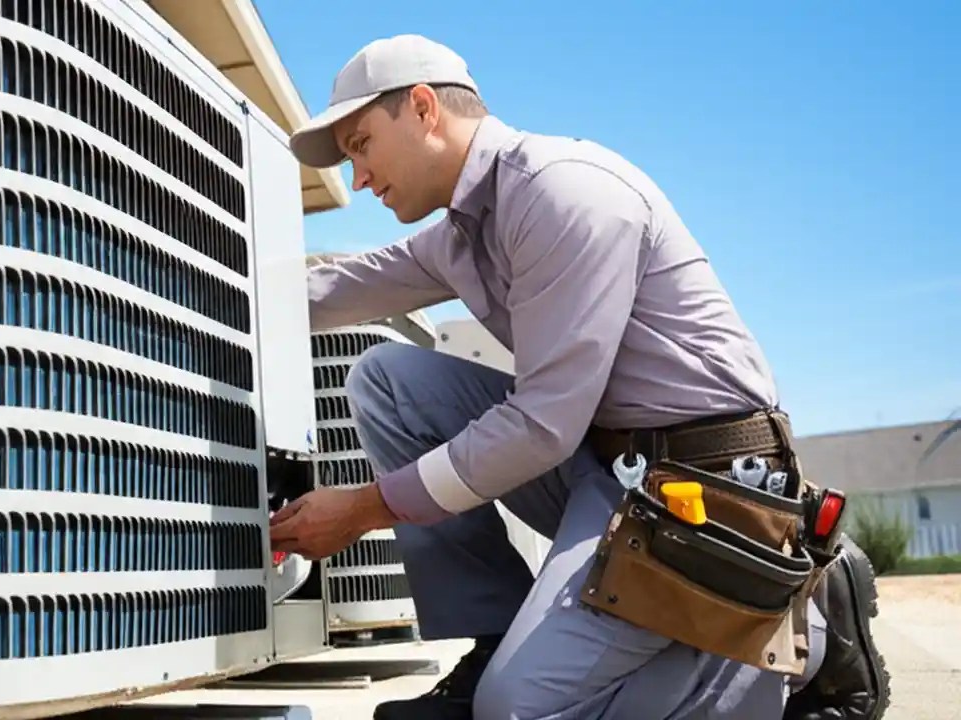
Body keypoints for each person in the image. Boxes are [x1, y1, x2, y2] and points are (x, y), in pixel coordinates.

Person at [267, 33, 890, 720]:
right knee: (390, 380)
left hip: (706, 487)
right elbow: (332, 291)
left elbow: (541, 425)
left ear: (422, 109)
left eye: (360, 145)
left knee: (516, 711)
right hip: (608, 469)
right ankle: (496, 638)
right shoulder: (462, 236)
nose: (357, 179)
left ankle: (800, 643)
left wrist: (362, 508)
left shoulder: (564, 191)